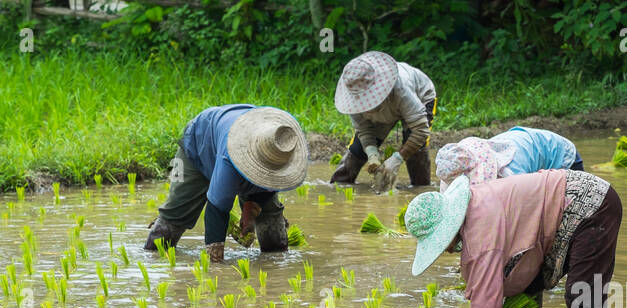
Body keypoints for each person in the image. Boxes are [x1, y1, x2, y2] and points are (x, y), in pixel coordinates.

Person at [405, 169, 622, 308]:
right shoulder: (476, 203)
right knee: (524, 282)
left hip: (592, 204)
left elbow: (486, 301)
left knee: (582, 294)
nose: (445, 249)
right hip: (561, 208)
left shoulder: (480, 233)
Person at [144, 105, 308, 264]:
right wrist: (216, 264)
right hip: (199, 146)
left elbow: (269, 183)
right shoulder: (229, 159)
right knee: (173, 219)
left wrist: (251, 209)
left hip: (247, 142)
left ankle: (275, 267)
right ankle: (151, 258)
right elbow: (216, 209)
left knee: (272, 227)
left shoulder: (279, 144)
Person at [329, 51, 436, 191]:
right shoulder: (352, 98)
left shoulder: (400, 89)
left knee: (417, 152)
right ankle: (339, 186)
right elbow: (364, 130)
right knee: (357, 151)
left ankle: (420, 191)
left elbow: (421, 131)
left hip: (420, 96)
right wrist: (372, 153)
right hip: (386, 110)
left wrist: (397, 159)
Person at [436, 127, 583, 191]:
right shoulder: (470, 156)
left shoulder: (512, 174)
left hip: (563, 157)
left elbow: (529, 209)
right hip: (531, 145)